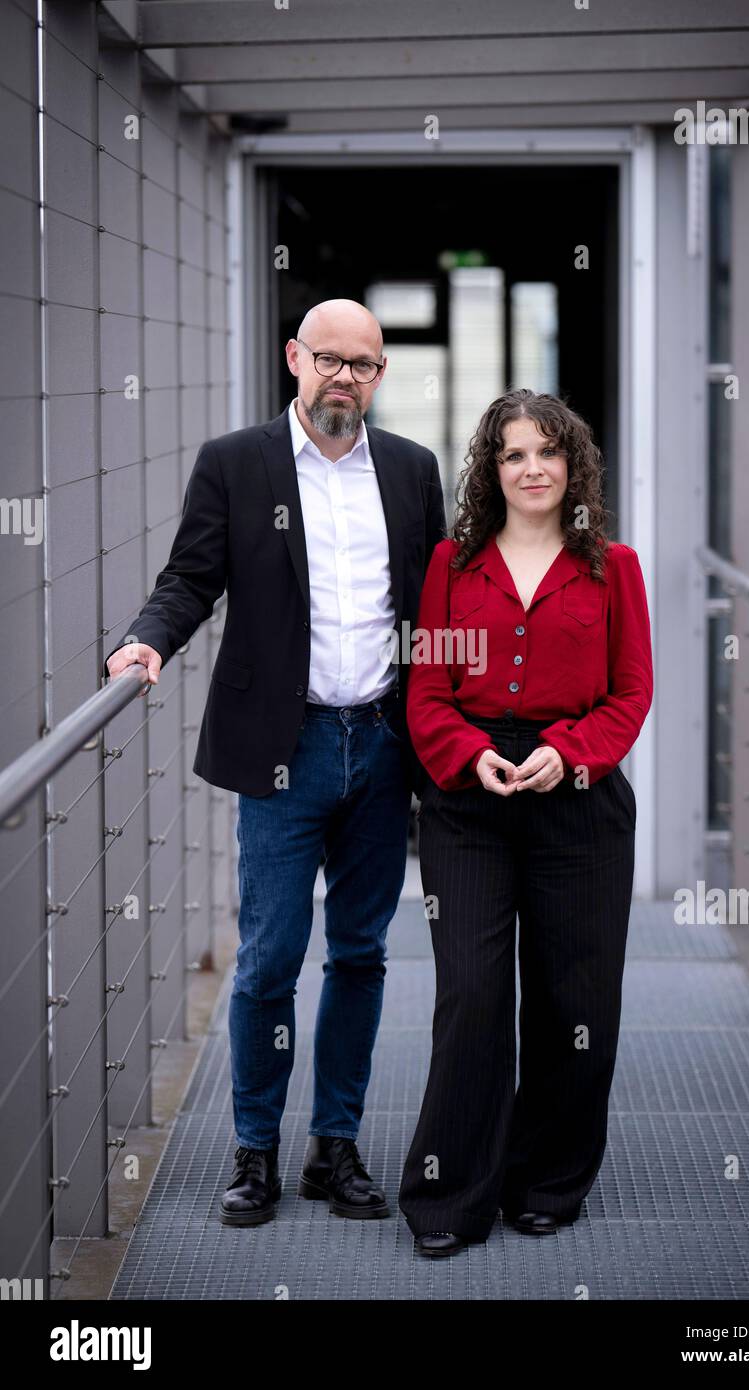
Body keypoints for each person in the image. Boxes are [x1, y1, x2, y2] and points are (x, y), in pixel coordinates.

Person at [103, 299, 445, 1226]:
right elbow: (190, 577)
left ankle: (335, 1148)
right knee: (266, 961)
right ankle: (255, 1152)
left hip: (380, 744)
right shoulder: (236, 463)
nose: (344, 376)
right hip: (281, 752)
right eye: (327, 358)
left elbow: (434, 610)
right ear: (294, 358)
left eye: (363, 364)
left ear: (379, 375)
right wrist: (147, 643)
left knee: (363, 954)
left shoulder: (412, 472)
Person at [397, 388, 653, 1256]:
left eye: (548, 452)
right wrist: (469, 752)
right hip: (469, 801)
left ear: (573, 466)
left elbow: (631, 693)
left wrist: (572, 751)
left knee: (572, 999)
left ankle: (546, 1180)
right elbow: (426, 690)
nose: (532, 468)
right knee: (470, 995)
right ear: (491, 469)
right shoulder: (452, 566)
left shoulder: (613, 568)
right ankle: (448, 1195)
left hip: (578, 799)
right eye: (513, 454)